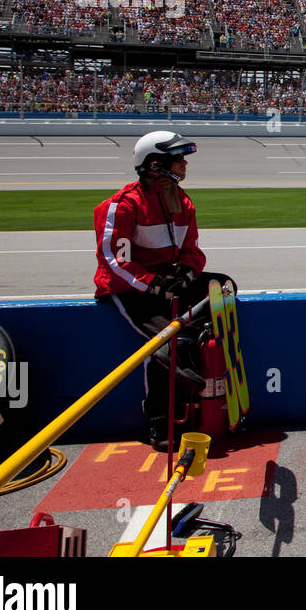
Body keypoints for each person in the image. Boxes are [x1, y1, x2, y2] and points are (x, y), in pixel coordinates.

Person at [94, 130, 232, 450]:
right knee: (167, 341)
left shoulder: (182, 201)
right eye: (178, 158)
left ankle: (199, 355)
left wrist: (186, 273)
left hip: (167, 283)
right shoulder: (122, 205)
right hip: (128, 289)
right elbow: (116, 261)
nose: (184, 164)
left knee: (221, 285)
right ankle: (160, 420)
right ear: (155, 164)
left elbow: (193, 250)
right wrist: (154, 284)